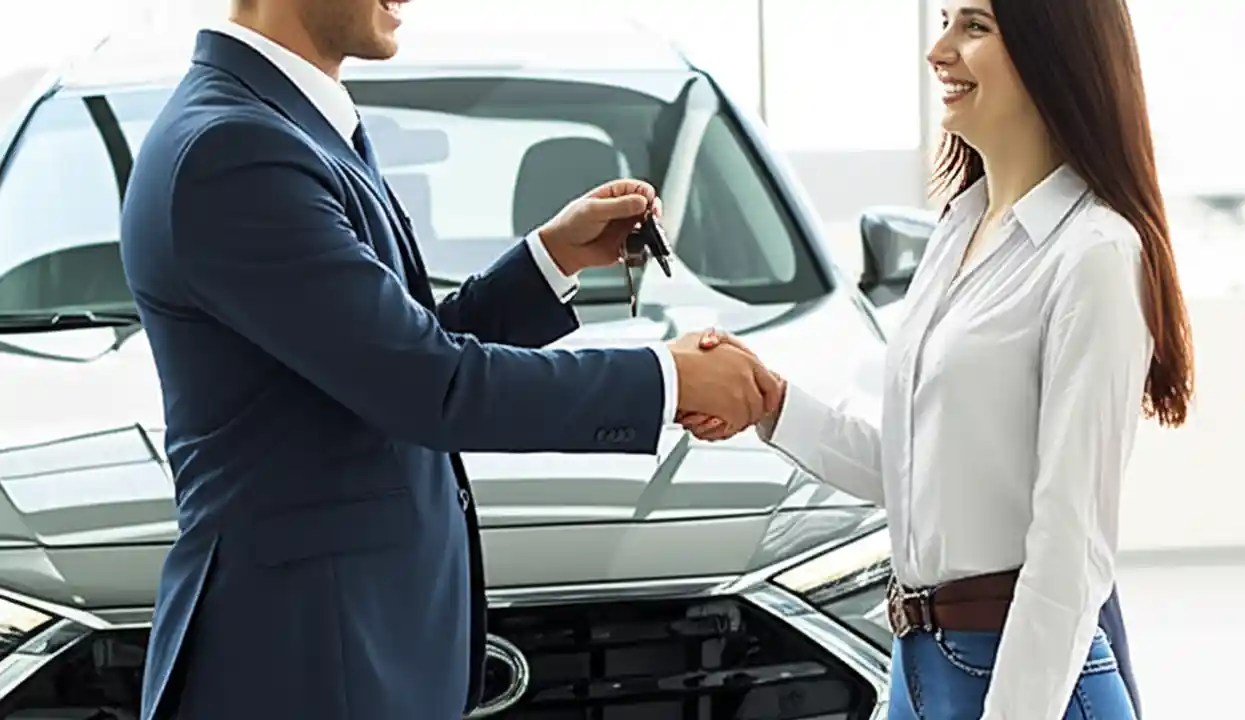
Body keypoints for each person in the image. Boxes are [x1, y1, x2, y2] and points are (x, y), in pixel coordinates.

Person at [118, 1, 780, 719]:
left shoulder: (276, 124)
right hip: (305, 661)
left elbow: (381, 357)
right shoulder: (235, 149)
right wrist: (668, 379)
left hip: (350, 649)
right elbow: (426, 384)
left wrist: (550, 259)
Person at [681, 0, 1193, 717]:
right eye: (946, 19)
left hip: (1024, 680)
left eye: (974, 27)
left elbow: (1070, 545)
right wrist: (772, 403)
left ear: (1057, 53)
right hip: (920, 666)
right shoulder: (957, 230)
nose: (939, 50)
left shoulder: (1095, 255)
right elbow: (917, 472)